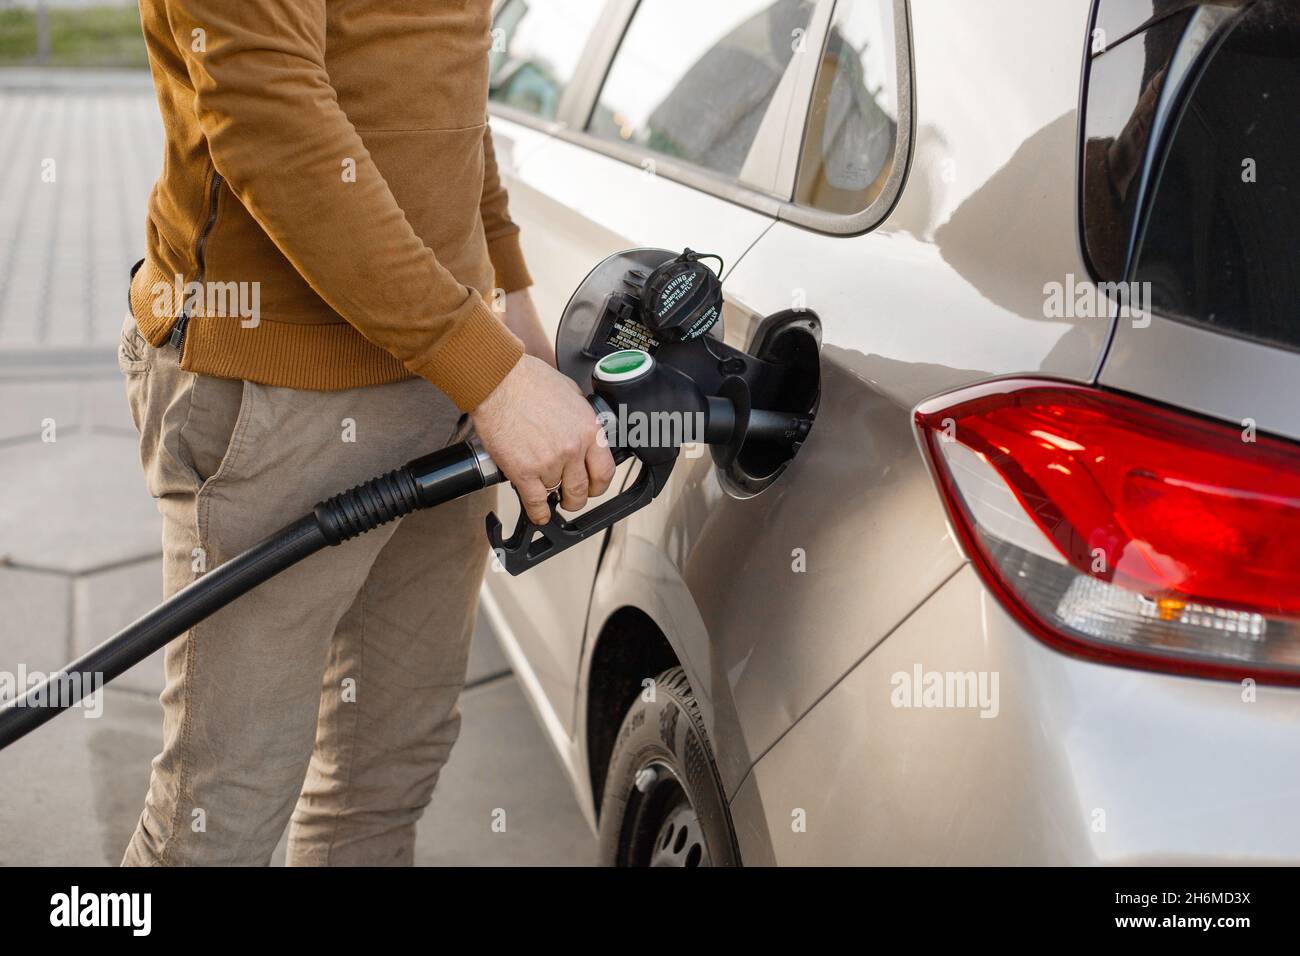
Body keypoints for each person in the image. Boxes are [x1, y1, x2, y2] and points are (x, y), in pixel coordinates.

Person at [117, 0, 615, 865]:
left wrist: (510, 319)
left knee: (384, 776)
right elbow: (272, 115)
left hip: (444, 380)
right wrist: (487, 368)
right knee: (219, 815)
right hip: (278, 392)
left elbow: (445, 99)